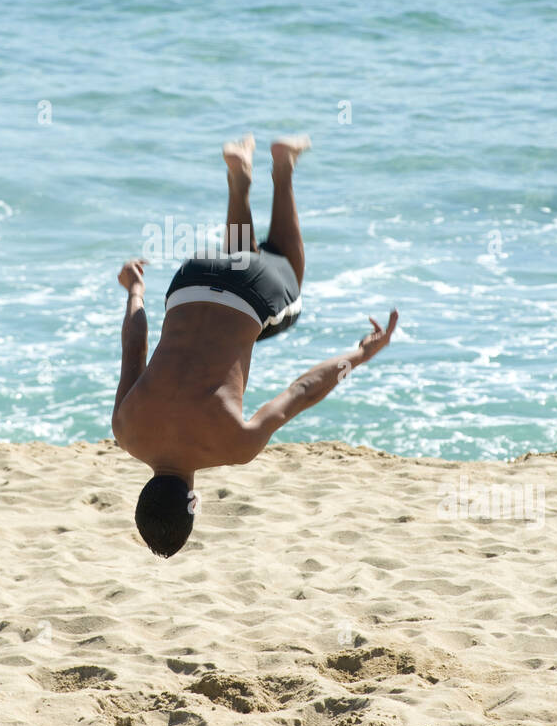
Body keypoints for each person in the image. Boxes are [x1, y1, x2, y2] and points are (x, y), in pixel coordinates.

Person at [112, 135, 398, 556]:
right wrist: (136, 290)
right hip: (187, 283)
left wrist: (361, 353)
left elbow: (301, 391)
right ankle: (240, 177)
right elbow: (135, 344)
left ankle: (282, 169)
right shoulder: (125, 429)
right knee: (240, 261)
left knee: (288, 276)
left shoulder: (235, 445)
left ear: (195, 504)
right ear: (142, 494)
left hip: (248, 297)